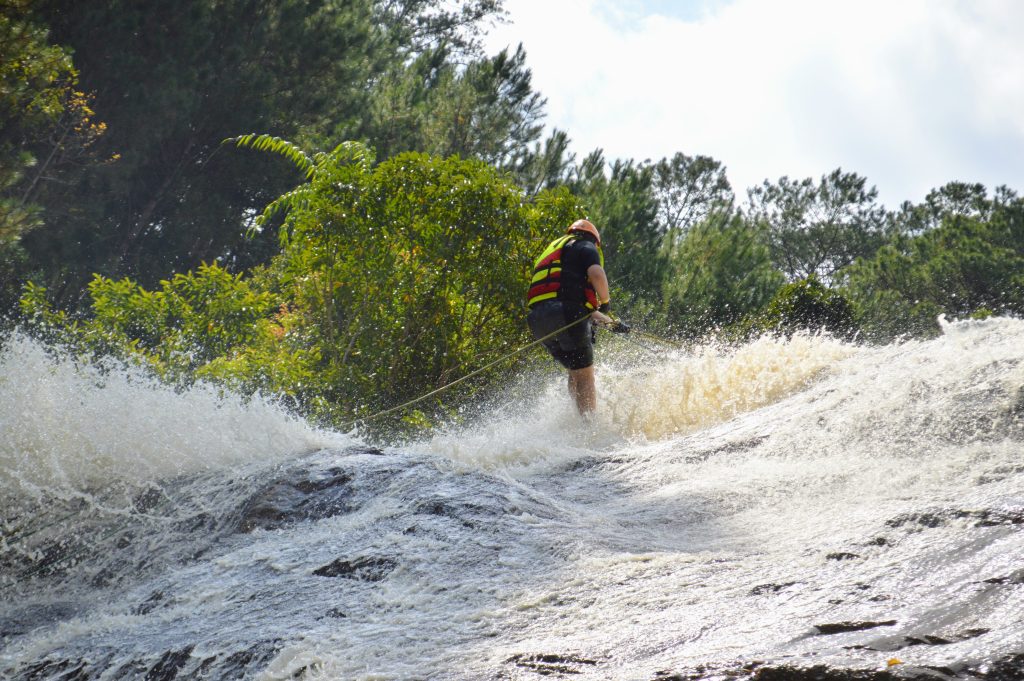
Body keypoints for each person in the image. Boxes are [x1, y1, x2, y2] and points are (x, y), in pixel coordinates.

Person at [526, 219, 628, 415]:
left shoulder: (558, 256)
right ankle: (588, 426)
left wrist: (612, 324)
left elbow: (579, 311)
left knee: (575, 371)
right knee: (585, 376)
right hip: (565, 314)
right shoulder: (586, 246)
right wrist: (605, 301)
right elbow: (596, 274)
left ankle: (577, 421)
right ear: (594, 239)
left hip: (538, 320)